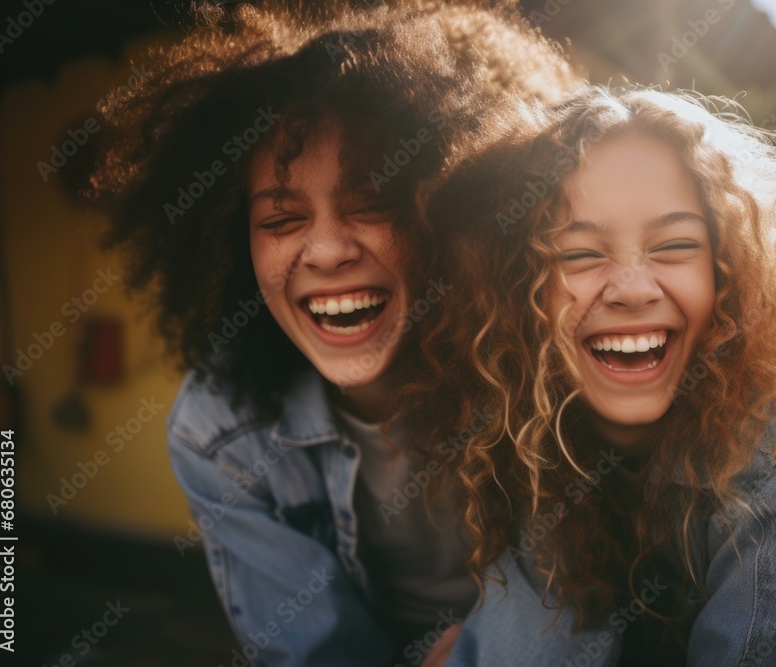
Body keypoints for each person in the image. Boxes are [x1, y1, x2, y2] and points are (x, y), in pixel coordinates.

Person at [405, 86, 776, 665]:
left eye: (676, 245)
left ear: (729, 274)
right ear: (518, 287)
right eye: (579, 255)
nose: (632, 289)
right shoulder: (537, 433)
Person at [87, 2, 578, 664]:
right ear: (236, 249)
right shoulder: (219, 429)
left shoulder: (554, 367)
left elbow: (572, 610)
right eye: (281, 219)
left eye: (372, 204)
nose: (324, 250)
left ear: (455, 215)